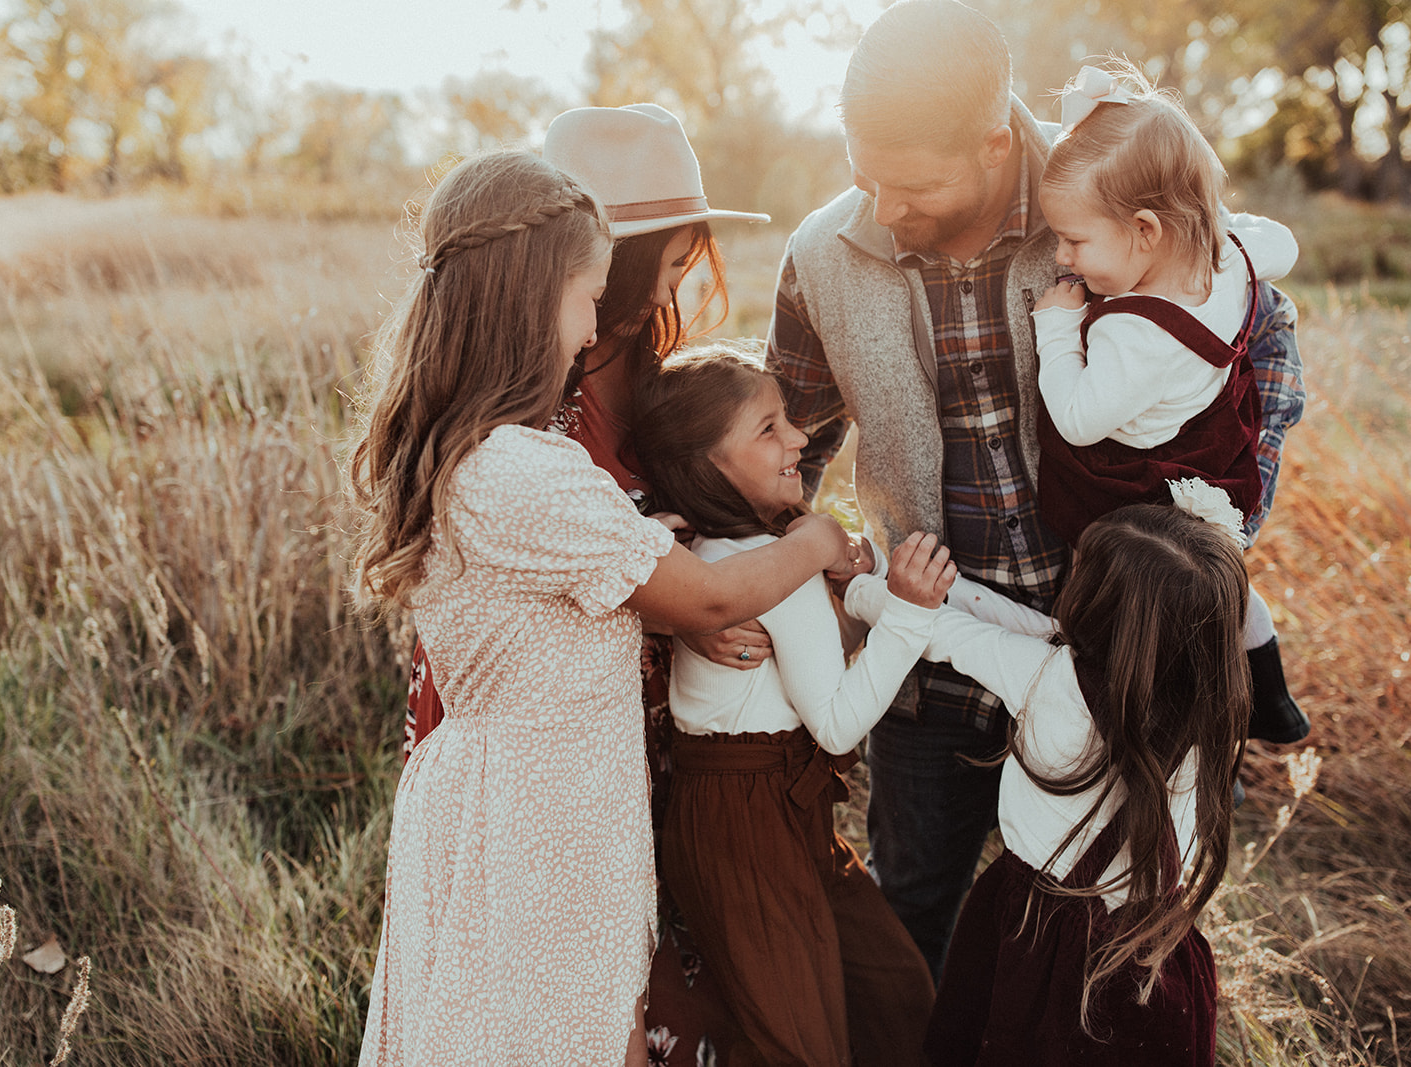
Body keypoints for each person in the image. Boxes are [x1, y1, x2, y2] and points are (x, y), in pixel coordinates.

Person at [764, 0, 1307, 978]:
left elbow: (1259, 360)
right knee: (913, 905)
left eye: (912, 184)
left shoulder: (1099, 198)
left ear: (992, 138)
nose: (881, 207)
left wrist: (1206, 546)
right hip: (934, 645)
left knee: (1117, 912)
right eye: (863, 178)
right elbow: (787, 449)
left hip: (1121, 654)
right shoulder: (820, 254)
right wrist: (761, 582)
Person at [348, 150, 854, 1066]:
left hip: (514, 787)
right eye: (586, 296)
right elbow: (702, 595)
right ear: (528, 299)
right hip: (549, 810)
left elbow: (559, 575)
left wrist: (632, 536)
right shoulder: (527, 472)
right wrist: (817, 543)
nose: (592, 330)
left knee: (509, 1025)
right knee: (570, 1028)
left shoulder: (482, 456)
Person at [632, 344, 947, 1066]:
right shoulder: (772, 567)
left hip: (775, 811)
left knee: (890, 988)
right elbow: (836, 718)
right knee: (797, 1043)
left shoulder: (723, 551)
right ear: (710, 464)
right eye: (768, 429)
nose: (800, 439)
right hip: (744, 822)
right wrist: (909, 614)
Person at [848, 502, 1246, 1065]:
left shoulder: (1044, 677)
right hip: (1144, 953)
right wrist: (955, 584)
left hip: (1035, 933)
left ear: (1098, 604)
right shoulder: (1213, 708)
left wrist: (861, 589)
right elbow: (1031, 626)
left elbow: (937, 633)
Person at [1030, 61, 1309, 745]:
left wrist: (1059, 327)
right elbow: (1284, 243)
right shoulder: (1230, 259)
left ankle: (1160, 724)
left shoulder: (1135, 332)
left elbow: (1075, 415)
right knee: (1217, 583)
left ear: (1148, 230)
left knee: (1142, 606)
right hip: (1216, 457)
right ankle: (1265, 687)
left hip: (1144, 484)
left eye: (1074, 239)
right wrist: (1217, 226)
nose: (1064, 257)